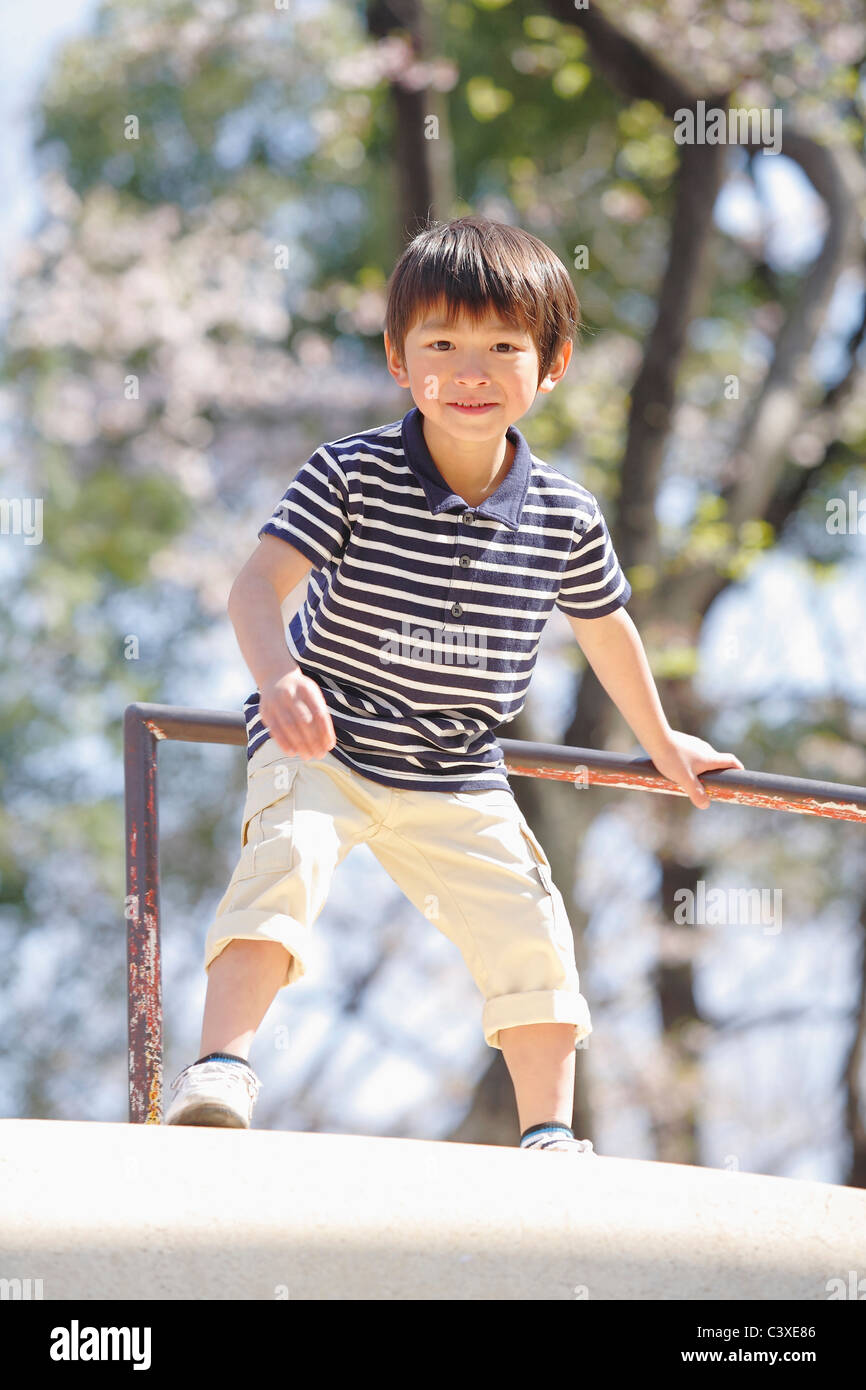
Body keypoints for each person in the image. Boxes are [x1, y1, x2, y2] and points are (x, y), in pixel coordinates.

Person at [165, 216, 743, 1151]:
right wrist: (277, 682)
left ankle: (549, 1133)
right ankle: (222, 1067)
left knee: (528, 919)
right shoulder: (350, 472)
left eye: (503, 346)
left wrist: (662, 737)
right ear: (399, 359)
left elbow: (606, 627)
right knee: (288, 859)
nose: (470, 371)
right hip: (330, 736)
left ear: (549, 366)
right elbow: (255, 587)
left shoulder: (563, 514)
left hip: (456, 764)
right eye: (441, 344)